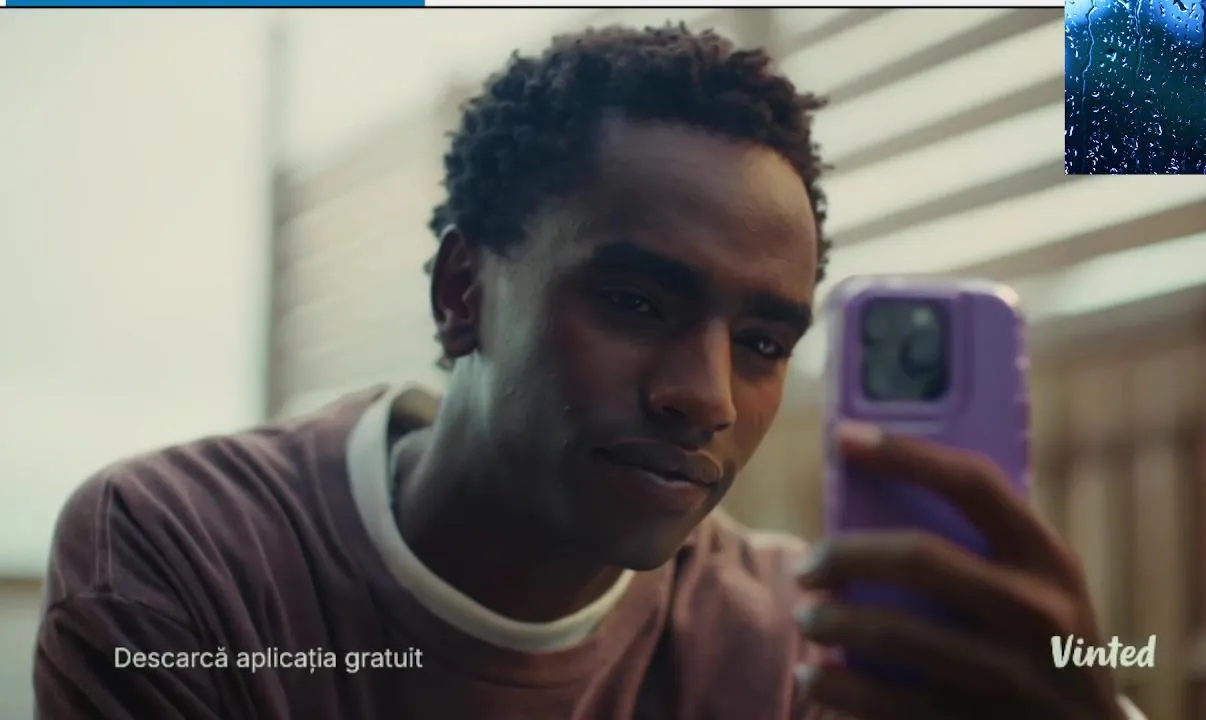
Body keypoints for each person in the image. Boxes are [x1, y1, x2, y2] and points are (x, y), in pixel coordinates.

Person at [35, 24, 1146, 720]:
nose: (706, 397)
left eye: (763, 343)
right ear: (462, 293)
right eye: (635, 302)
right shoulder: (190, 555)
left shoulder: (795, 642)